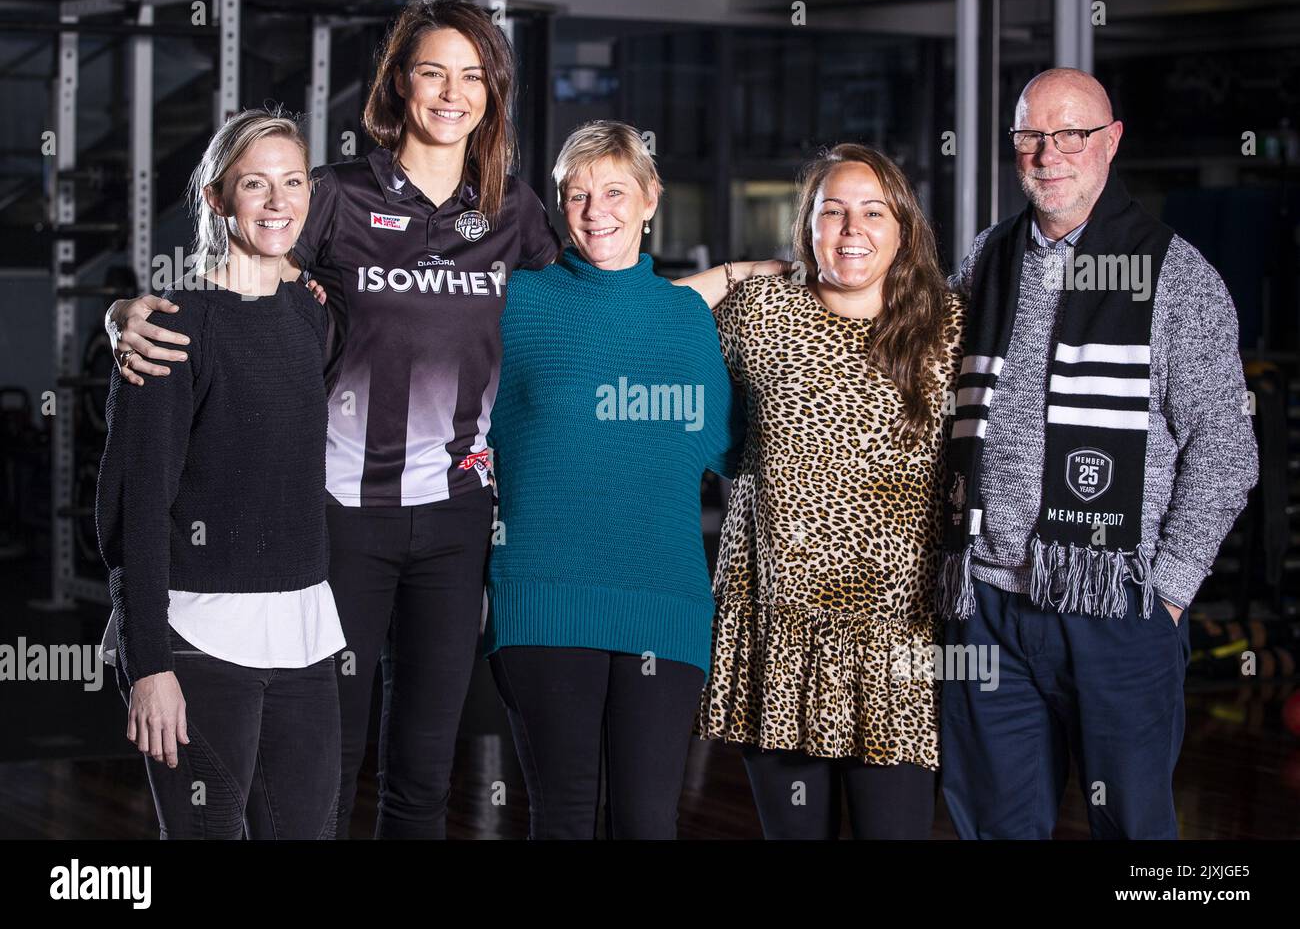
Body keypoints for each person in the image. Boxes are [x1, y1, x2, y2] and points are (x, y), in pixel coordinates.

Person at [102, 0, 771, 839]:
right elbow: (237, 281)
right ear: (399, 85)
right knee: (327, 770)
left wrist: (725, 279)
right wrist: (128, 313)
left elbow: (599, 299)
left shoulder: (516, 210)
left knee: (422, 769)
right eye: (431, 72)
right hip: (339, 519)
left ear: (490, 94)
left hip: (458, 524)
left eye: (471, 76)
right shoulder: (335, 196)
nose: (451, 93)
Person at [937, 68, 1259, 839]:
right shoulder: (988, 258)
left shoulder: (1178, 278)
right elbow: (929, 377)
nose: (1050, 153)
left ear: (1111, 141)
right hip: (986, 606)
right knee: (996, 826)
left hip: (1117, 608)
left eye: (1071, 134)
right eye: (1031, 136)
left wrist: (1167, 596)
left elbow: (1225, 450)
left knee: (1134, 835)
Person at [484, 120, 783, 838]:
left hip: (664, 604)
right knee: (561, 821)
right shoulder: (514, 304)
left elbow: (728, 445)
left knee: (648, 823)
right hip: (545, 600)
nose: (597, 212)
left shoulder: (686, 319)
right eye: (578, 195)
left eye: (615, 191)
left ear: (651, 198)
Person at [695, 143, 964, 839]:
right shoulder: (758, 313)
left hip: (897, 642)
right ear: (806, 225)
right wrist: (738, 271)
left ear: (903, 227)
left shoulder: (947, 326)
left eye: (873, 212)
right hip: (779, 635)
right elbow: (628, 320)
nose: (852, 230)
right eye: (833, 212)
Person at [96, 107, 343, 839]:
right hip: (196, 644)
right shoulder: (169, 327)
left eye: (292, 182)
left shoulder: (312, 313)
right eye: (255, 185)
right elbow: (135, 510)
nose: (277, 202)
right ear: (216, 198)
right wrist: (148, 666)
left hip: (304, 639)